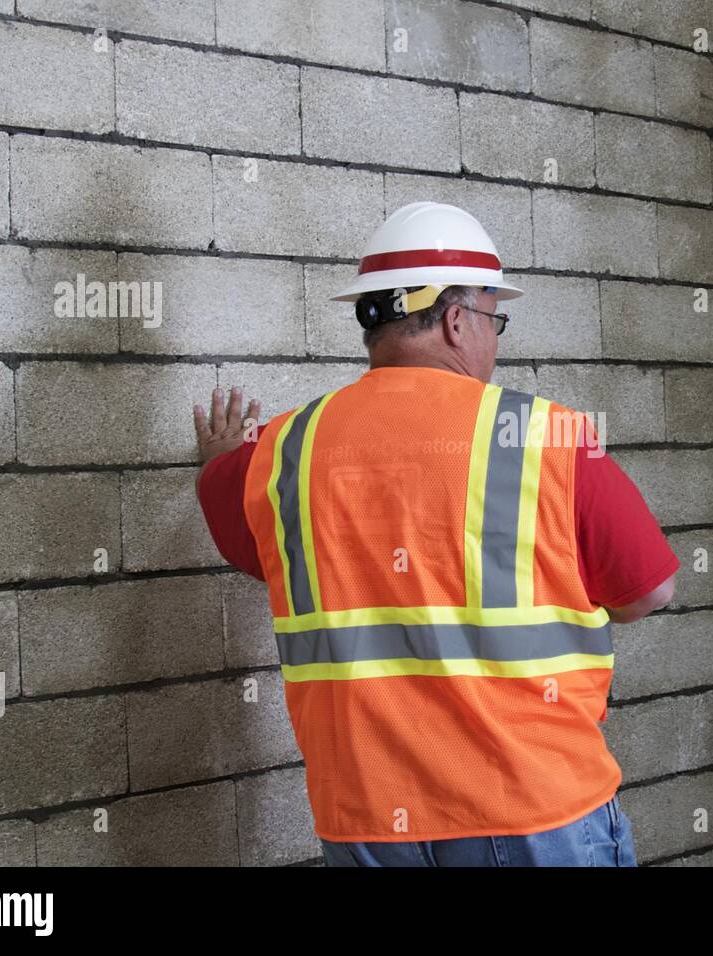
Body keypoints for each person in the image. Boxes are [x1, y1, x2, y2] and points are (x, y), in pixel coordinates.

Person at [194, 202, 679, 866]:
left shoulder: (281, 454)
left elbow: (237, 523)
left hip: (366, 828)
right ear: (457, 320)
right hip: (534, 814)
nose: (495, 341)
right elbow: (648, 591)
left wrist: (220, 461)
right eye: (494, 319)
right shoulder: (548, 439)